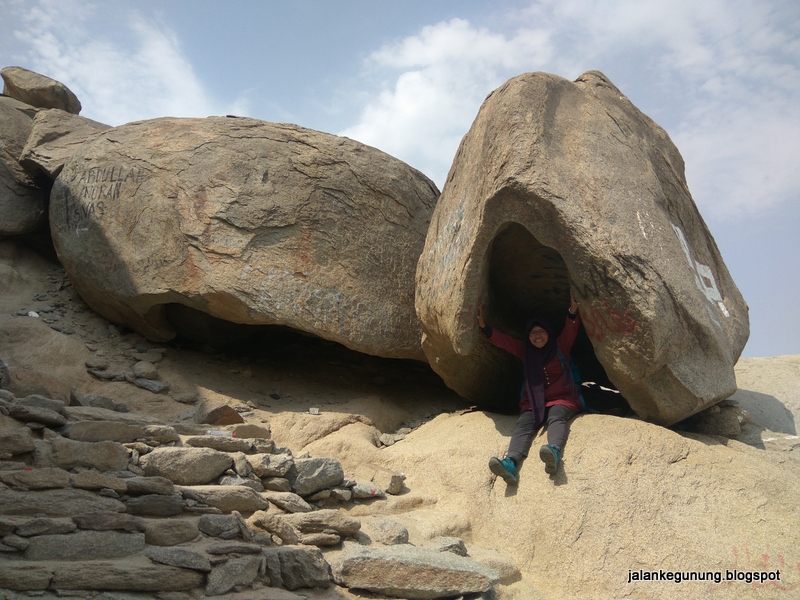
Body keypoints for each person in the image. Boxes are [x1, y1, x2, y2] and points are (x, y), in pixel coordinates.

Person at [478, 290, 581, 484]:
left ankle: (554, 452)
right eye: (533, 333)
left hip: (563, 398)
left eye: (541, 331)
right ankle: (511, 464)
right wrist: (485, 328)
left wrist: (572, 311)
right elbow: (505, 342)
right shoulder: (525, 350)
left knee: (556, 416)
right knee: (523, 425)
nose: (537, 336)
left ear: (549, 333)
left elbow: (571, 329)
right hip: (534, 403)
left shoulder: (560, 346)